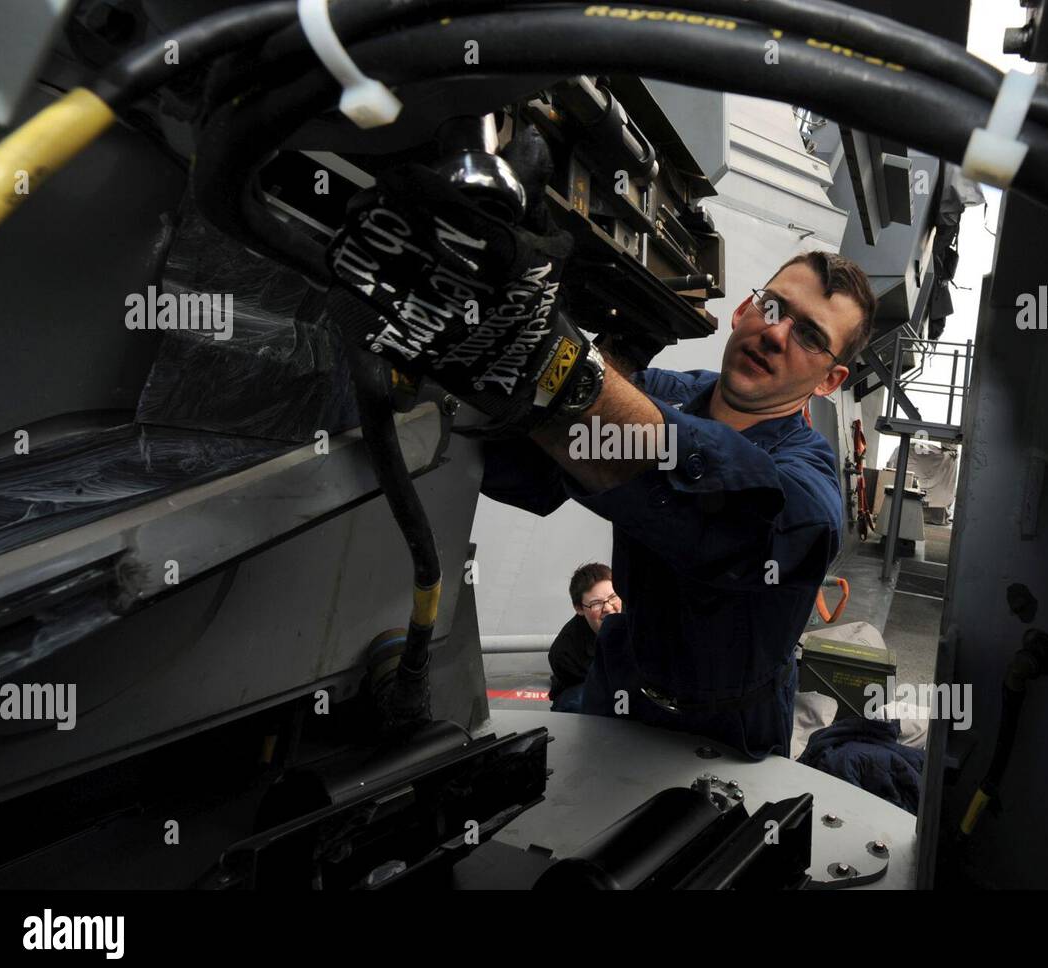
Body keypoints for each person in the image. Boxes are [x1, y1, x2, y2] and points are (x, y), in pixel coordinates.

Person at [324, 134, 875, 757]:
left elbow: (756, 519)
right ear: (745, 308)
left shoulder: (810, 478)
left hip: (727, 731)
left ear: (831, 381)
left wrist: (552, 366)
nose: (776, 335)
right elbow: (535, 455)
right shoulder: (666, 392)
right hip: (615, 684)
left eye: (809, 335)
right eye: (773, 307)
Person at [548, 563, 621, 712]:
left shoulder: (639, 620)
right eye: (596, 603)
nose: (608, 608)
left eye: (613, 597)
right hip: (591, 691)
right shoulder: (564, 653)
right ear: (579, 608)